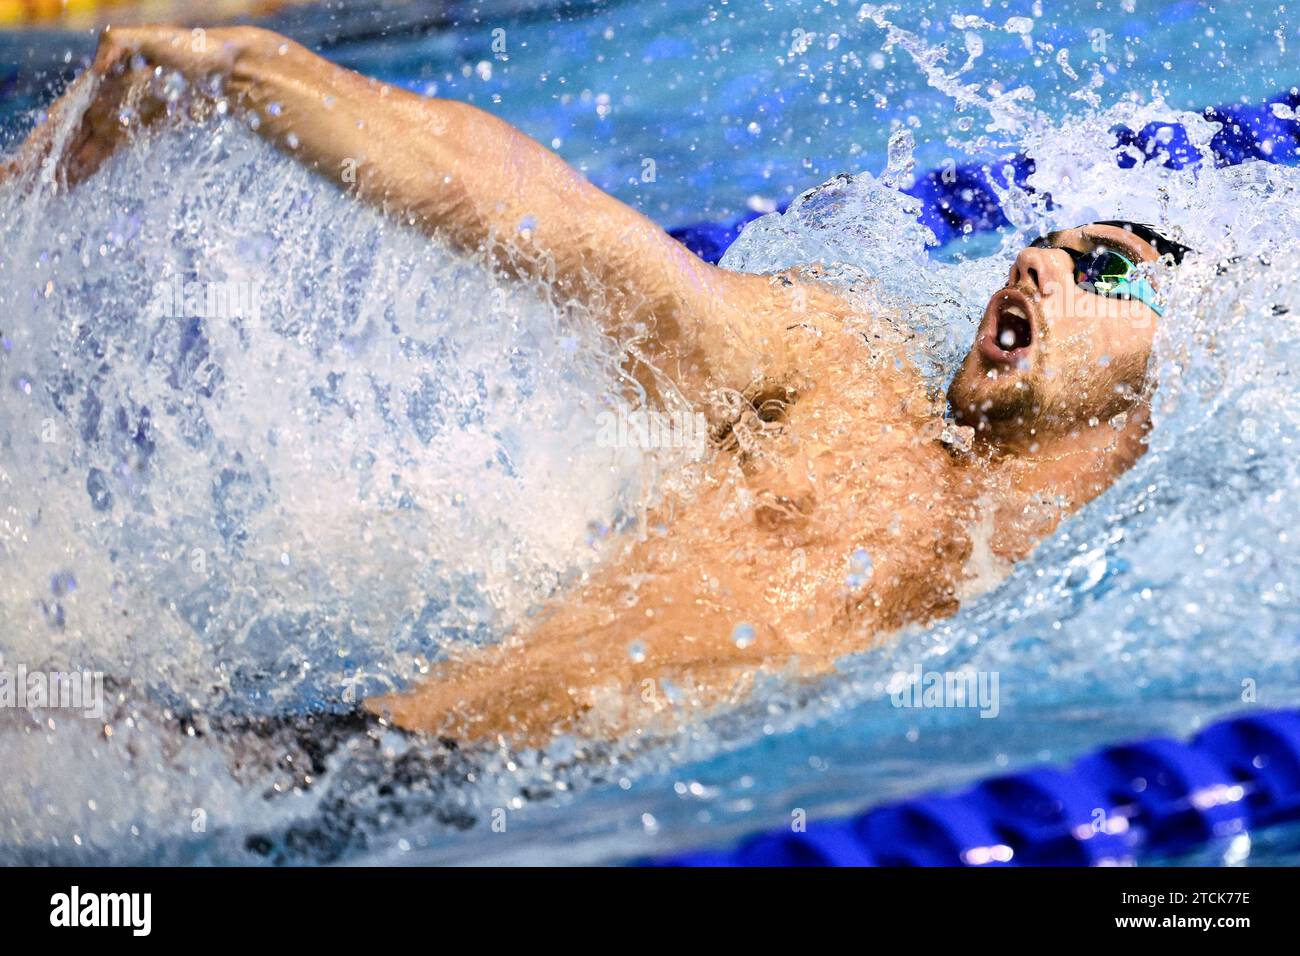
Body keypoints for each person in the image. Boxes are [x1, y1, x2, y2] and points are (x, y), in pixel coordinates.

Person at [3, 25, 1190, 745]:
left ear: (1170, 366)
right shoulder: (838, 377)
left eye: (1102, 269)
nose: (1036, 257)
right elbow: (553, 227)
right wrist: (253, 77)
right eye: (1045, 240)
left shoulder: (1144, 561)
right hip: (369, 772)